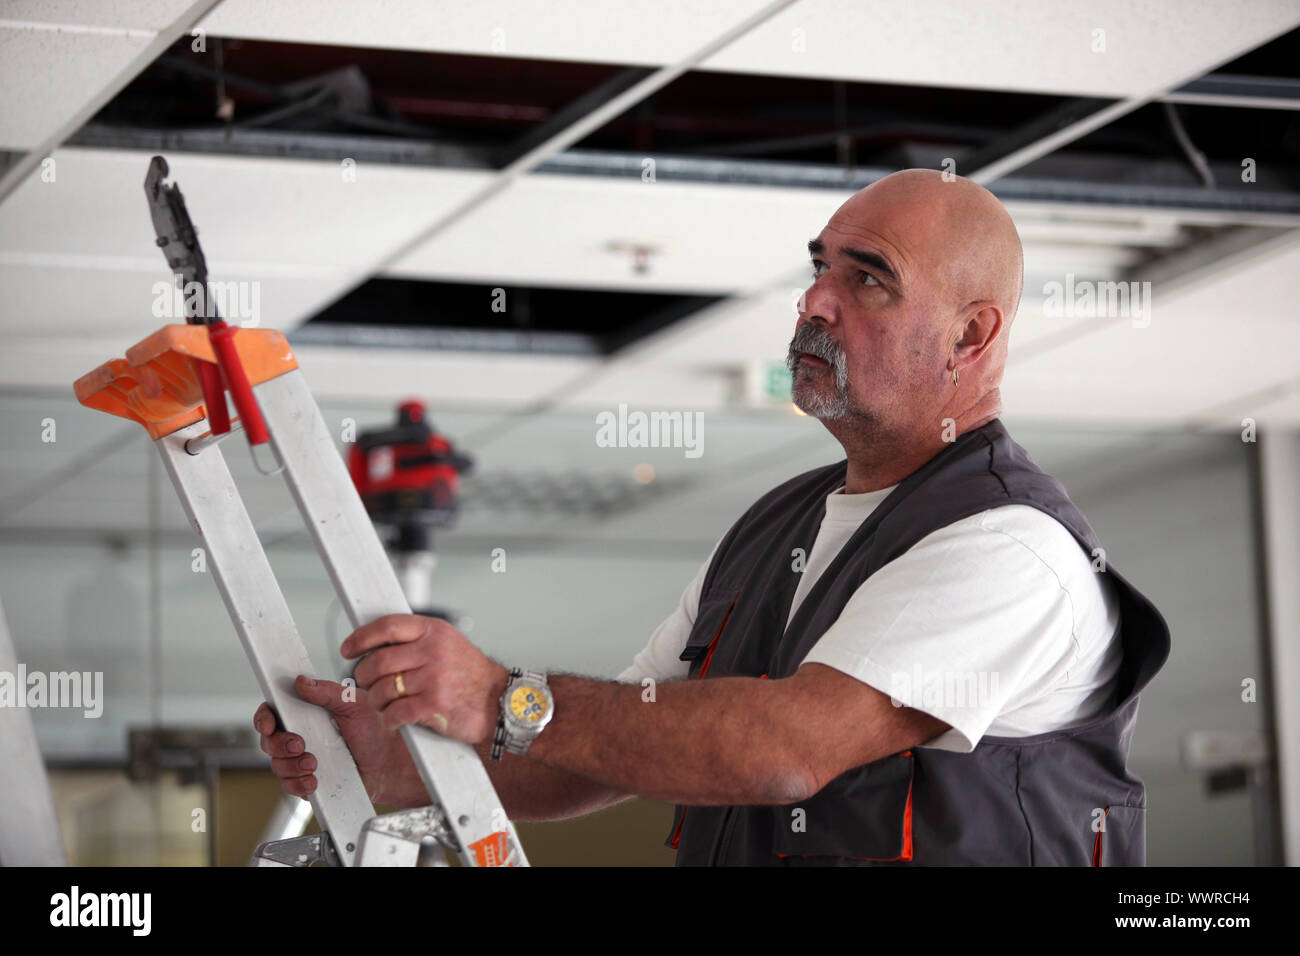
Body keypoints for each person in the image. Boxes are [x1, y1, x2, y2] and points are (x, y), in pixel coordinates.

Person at [254, 169, 1170, 866]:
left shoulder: (1009, 547)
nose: (815, 300)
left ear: (972, 336)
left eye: (870, 280)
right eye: (819, 268)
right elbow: (599, 757)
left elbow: (786, 752)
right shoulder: (774, 527)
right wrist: (404, 766)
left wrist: (501, 700)